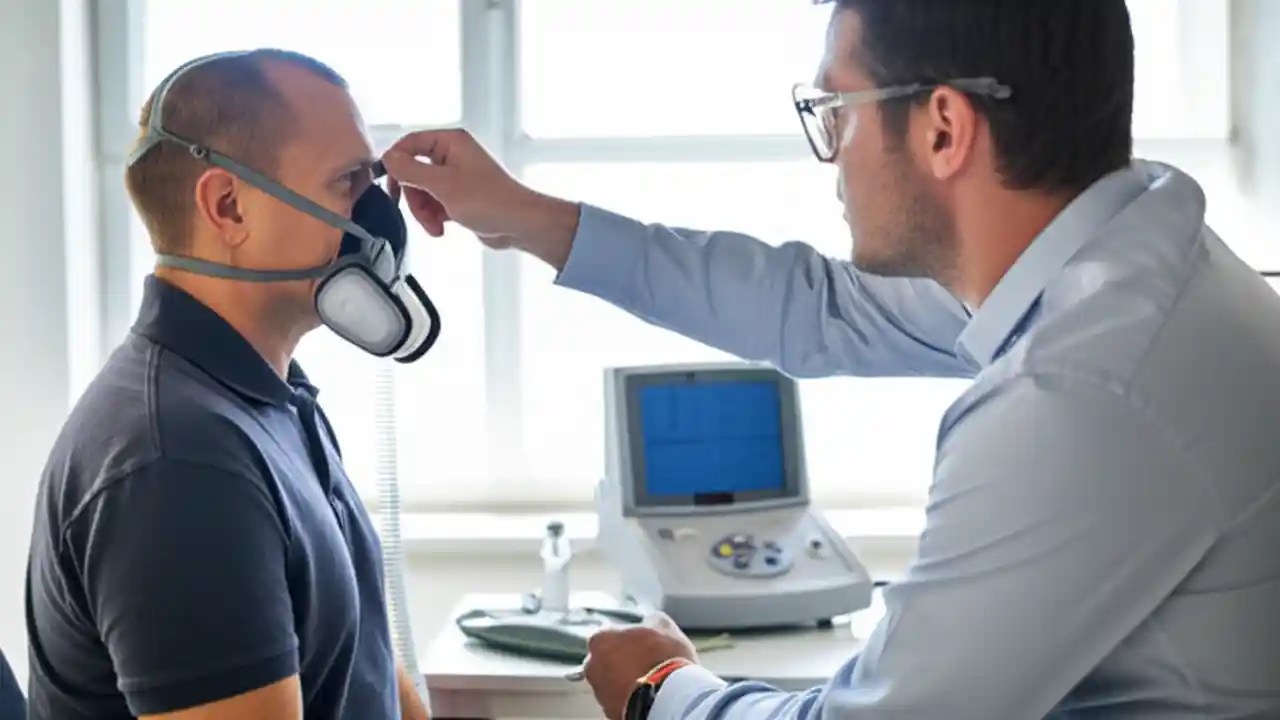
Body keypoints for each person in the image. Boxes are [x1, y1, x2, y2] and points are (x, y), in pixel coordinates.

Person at [379, 0, 1280, 718]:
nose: (830, 157)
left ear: (943, 128)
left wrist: (663, 690)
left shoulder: (1076, 392)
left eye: (835, 112)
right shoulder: (1130, 260)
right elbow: (818, 308)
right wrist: (529, 219)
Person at [25, 50, 434, 719]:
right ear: (228, 206)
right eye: (347, 181)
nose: (378, 219)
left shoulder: (272, 398)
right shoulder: (177, 458)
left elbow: (363, 665)